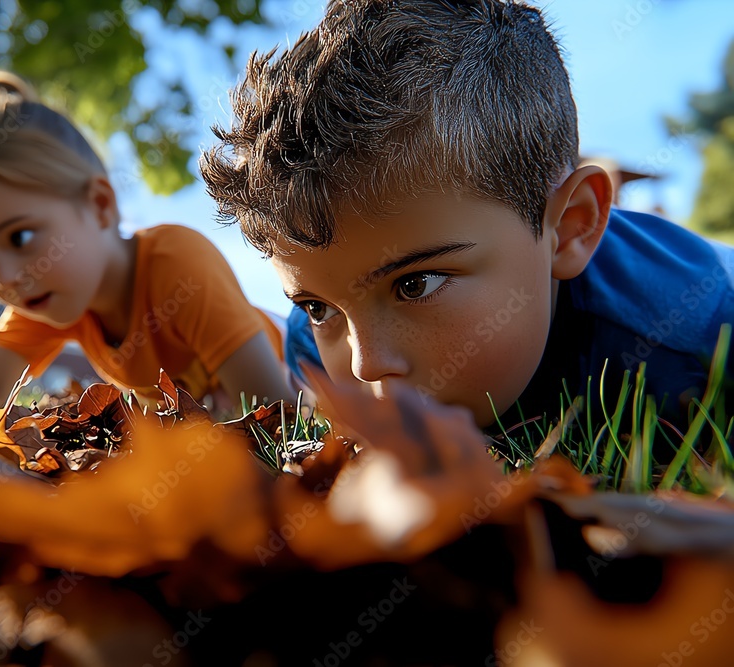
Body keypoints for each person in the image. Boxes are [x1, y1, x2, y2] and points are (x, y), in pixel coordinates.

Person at [199, 0, 734, 431]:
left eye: (416, 283)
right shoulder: (309, 354)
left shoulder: (701, 342)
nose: (364, 366)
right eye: (318, 308)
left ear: (570, 226)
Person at [0, 70, 294, 409]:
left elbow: (277, 411)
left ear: (99, 205)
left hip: (305, 364)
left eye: (20, 237)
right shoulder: (49, 297)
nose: (4, 278)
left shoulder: (178, 264)